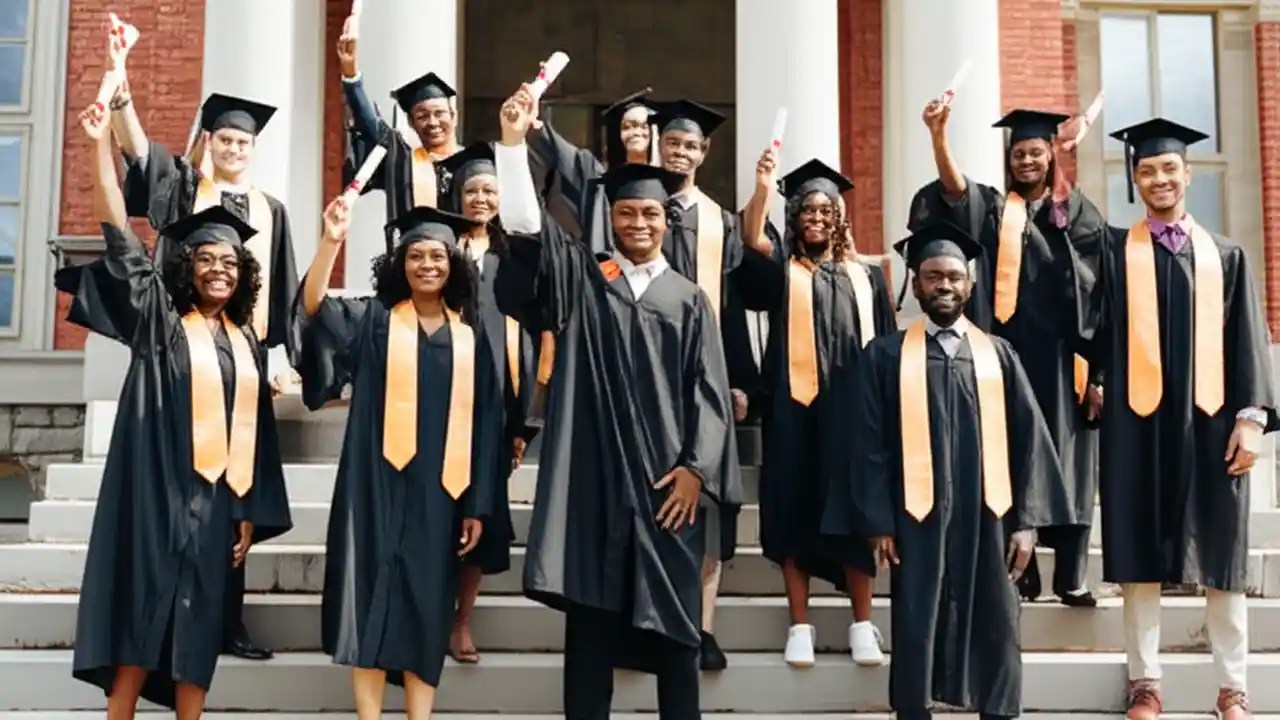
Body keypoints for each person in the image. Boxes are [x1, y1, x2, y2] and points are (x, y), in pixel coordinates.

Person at [492, 89, 741, 719]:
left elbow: (710, 393)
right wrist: (514, 146)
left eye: (650, 216)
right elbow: (525, 230)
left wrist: (695, 472)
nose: (638, 224)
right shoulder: (585, 283)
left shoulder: (688, 301)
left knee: (678, 640)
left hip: (669, 495)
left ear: (666, 222)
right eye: (626, 214)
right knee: (592, 637)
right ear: (613, 217)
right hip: (598, 490)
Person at [58, 101, 291, 718]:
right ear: (188, 269)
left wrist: (244, 507)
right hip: (155, 494)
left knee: (200, 617)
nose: (219, 270)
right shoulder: (160, 321)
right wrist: (97, 148)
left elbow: (251, 436)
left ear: (245, 277)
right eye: (207, 260)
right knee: (143, 609)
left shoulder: (245, 345)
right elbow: (119, 232)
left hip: (216, 501)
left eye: (230, 263)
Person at [850, 220, 1083, 720]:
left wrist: (1026, 522)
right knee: (916, 617)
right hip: (915, 516)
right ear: (915, 283)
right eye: (933, 276)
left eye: (954, 276)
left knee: (998, 617)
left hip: (989, 514)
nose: (945, 286)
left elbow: (1029, 440)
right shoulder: (886, 356)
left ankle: (998, 711)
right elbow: (867, 445)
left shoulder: (997, 355)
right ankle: (914, 710)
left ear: (970, 283)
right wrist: (877, 520)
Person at [1091, 117, 1277, 720]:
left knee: (1222, 556)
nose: (1159, 178)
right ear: (1135, 178)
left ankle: (1232, 687)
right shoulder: (1117, 255)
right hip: (1136, 429)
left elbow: (1249, 340)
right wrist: (1089, 383)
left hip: (1210, 428)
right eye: (1147, 169)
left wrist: (1251, 420)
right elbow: (1091, 332)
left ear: (1187, 173)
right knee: (1139, 556)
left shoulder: (1226, 256)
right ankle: (1145, 682)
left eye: (1169, 168)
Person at [297, 196, 502, 720]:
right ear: (400, 265)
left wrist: (477, 505)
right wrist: (331, 241)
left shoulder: (471, 340)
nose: (426, 265)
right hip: (374, 486)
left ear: (452, 265)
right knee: (368, 600)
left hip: (442, 493)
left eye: (436, 256)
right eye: (415, 256)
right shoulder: (374, 323)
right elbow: (315, 306)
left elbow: (485, 428)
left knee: (428, 604)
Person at [909, 100, 1107, 606]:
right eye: (1018, 153)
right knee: (1007, 454)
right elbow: (956, 191)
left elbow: (1099, 291)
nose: (1026, 161)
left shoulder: (1079, 212)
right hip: (1004, 352)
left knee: (1065, 463)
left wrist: (1100, 374)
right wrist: (939, 137)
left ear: (1050, 157)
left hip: (1064, 360)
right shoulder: (998, 208)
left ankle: (1070, 575)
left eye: (1035, 152)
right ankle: (1021, 572)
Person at [735, 152, 896, 667]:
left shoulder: (866, 278)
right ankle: (799, 625)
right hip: (793, 415)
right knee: (792, 513)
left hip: (855, 419)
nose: (818, 217)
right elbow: (751, 243)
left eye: (827, 210)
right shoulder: (782, 274)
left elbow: (888, 346)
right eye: (807, 210)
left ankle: (863, 625)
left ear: (840, 218)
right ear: (794, 218)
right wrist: (762, 188)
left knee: (858, 513)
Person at [436, 141, 543, 664]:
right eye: (471, 190)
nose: (479, 198)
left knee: (481, 508)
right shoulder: (439, 251)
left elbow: (533, 337)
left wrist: (524, 421)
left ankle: (461, 621)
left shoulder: (514, 257)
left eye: (488, 191)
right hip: (438, 397)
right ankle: (433, 613)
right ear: (457, 195)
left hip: (496, 404)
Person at [337, 24, 461, 216]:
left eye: (439, 113)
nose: (433, 122)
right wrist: (351, 75)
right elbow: (369, 124)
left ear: (454, 117)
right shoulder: (404, 163)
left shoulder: (474, 162)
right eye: (422, 116)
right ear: (411, 123)